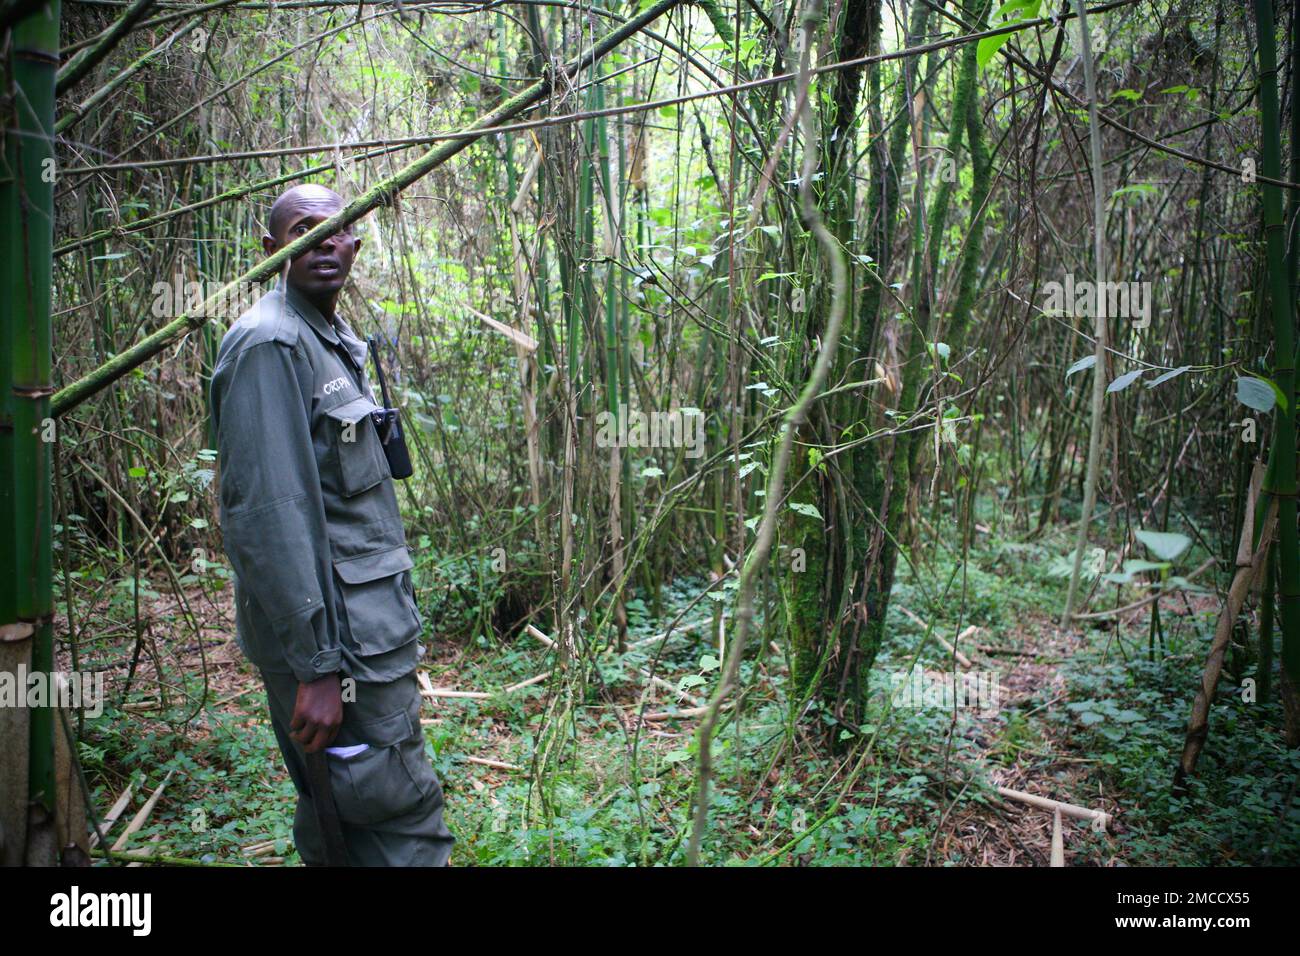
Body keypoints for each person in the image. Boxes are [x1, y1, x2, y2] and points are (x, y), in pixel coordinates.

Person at [210, 183, 454, 866]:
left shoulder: (332, 337)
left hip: (367, 635)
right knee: (397, 817)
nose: (323, 241)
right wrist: (318, 668)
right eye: (302, 229)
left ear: (355, 241)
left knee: (344, 821)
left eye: (336, 228)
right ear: (271, 250)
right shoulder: (268, 344)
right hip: (339, 650)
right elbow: (268, 515)